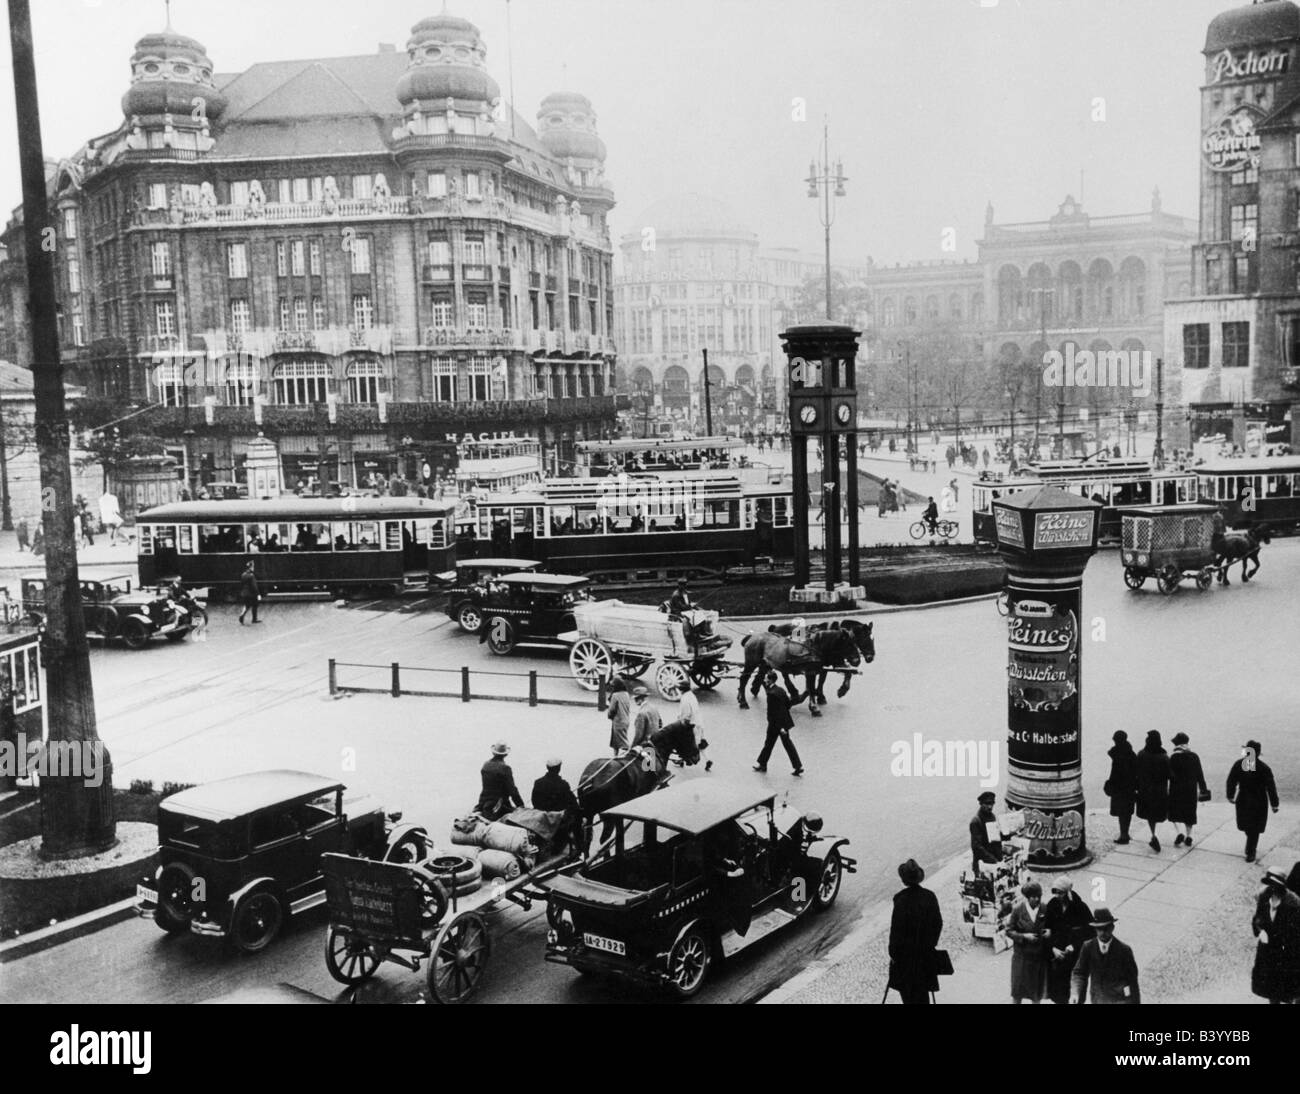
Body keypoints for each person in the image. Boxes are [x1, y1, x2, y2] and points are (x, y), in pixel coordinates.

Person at [887, 858, 943, 1005]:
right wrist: (930, 945)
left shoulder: (900, 900)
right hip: (924, 958)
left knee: (908, 997)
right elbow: (937, 924)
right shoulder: (929, 896)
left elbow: (896, 933)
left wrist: (894, 955)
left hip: (906, 961)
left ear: (904, 880)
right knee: (923, 996)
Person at [1070, 907, 1140, 1004]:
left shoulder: (1124, 950)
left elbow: (1132, 981)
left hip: (1118, 1000)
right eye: (1099, 929)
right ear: (1095, 929)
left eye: (1106, 928)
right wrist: (1075, 993)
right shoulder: (1088, 947)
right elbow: (1079, 972)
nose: (1103, 932)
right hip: (1097, 999)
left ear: (1112, 928)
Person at [1251, 869, 1300, 1004]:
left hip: (1287, 954)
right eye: (1269, 883)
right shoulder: (1264, 896)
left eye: (1273, 884)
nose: (1270, 887)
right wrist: (1260, 931)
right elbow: (1257, 918)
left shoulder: (1293, 904)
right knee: (1271, 988)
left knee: (1288, 991)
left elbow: (1296, 933)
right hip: (1268, 953)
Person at [1227, 739, 1280, 863]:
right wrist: (1230, 794)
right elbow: (1232, 780)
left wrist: (1274, 803)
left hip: (1253, 799)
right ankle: (1251, 844)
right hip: (1251, 799)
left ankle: (1251, 850)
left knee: (1253, 827)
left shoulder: (1254, 766)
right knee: (1246, 825)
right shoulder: (1260, 767)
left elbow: (1270, 786)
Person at [1043, 877, 1093, 1005]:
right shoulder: (1052, 905)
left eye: (1061, 892)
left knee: (1076, 992)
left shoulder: (1080, 907)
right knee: (1058, 992)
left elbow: (1090, 932)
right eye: (1055, 892)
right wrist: (1052, 949)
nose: (1057, 896)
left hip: (1075, 958)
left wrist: (1074, 946)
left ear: (1068, 892)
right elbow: (1045, 930)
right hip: (1057, 957)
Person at [753, 671, 802, 775]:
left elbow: (773, 713)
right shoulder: (781, 690)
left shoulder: (771, 694)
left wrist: (780, 727)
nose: (765, 680)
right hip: (784, 722)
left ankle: (762, 764)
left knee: (769, 744)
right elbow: (788, 705)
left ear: (770, 680)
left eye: (766, 678)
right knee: (787, 744)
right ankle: (797, 766)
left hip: (776, 724)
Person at [1007, 880, 1048, 1004]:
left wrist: (1049, 932)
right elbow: (1009, 931)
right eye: (1034, 897)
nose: (1037, 899)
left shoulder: (1045, 908)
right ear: (1027, 897)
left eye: (1039, 896)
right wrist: (1024, 936)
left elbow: (1053, 925)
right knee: (1017, 993)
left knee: (1036, 994)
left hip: (1038, 959)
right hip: (1022, 959)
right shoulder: (1018, 910)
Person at [1167, 731, 1209, 847]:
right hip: (1190, 789)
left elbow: (1169, 774)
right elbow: (1200, 774)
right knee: (1189, 813)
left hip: (1176, 789)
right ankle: (1189, 836)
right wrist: (1203, 789)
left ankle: (1179, 832)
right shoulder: (1194, 756)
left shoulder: (1174, 757)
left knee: (1173, 812)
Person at [1135, 729, 1169, 852]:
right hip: (1160, 790)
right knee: (1160, 814)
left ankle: (1154, 835)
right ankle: (1155, 835)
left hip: (1145, 790)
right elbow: (1170, 775)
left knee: (1150, 815)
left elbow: (1136, 771)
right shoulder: (1164, 757)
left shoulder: (1141, 754)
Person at [1105, 730, 1139, 844]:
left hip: (1119, 787)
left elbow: (1115, 773)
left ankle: (1123, 835)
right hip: (1130, 786)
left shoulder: (1117, 754)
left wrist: (1110, 784)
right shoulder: (1131, 753)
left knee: (1121, 812)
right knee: (1127, 812)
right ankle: (1126, 833)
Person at [476, 741, 524, 821]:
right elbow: (512, 790)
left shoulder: (485, 765)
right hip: (498, 805)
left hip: (484, 803)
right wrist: (521, 806)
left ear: (493, 753)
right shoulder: (505, 768)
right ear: (506, 754)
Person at [970, 791, 1002, 872]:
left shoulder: (992, 816)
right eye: (987, 804)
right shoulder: (976, 821)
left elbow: (995, 838)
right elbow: (977, 847)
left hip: (994, 861)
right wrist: (994, 860)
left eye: (992, 804)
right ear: (981, 804)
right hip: (983, 864)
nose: (990, 807)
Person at [606, 676, 632, 755]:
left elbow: (612, 710)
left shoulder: (615, 695)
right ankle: (615, 757)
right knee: (615, 742)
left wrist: (609, 715)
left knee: (623, 743)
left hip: (618, 722)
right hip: (626, 721)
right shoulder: (626, 694)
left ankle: (631, 754)